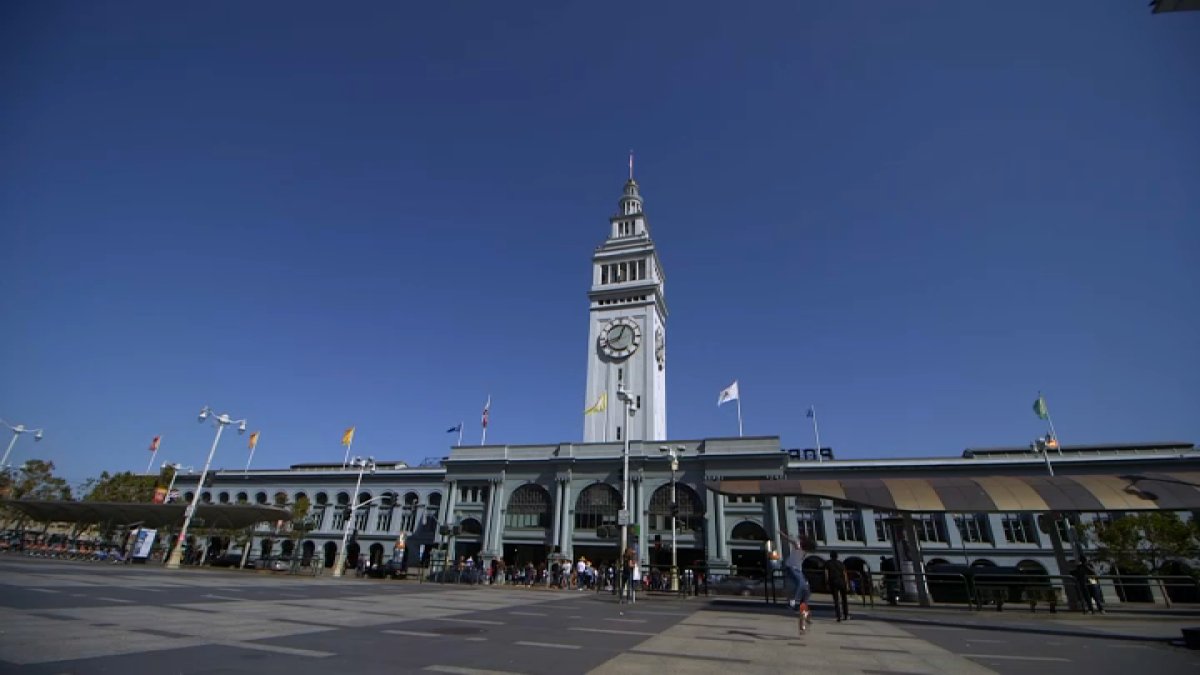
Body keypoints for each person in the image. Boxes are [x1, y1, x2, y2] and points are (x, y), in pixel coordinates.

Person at [780, 532, 811, 630]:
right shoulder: (798, 545)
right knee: (800, 583)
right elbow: (792, 541)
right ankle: (793, 601)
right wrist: (783, 535)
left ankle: (804, 614)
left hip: (798, 570)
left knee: (806, 590)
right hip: (791, 568)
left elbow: (793, 541)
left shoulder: (805, 550)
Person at [825, 551, 850, 622]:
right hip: (842, 582)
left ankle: (838, 616)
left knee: (836, 600)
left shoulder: (828, 563)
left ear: (830, 556)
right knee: (844, 599)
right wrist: (847, 583)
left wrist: (827, 583)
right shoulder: (841, 563)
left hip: (833, 582)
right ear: (837, 556)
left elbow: (826, 574)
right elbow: (844, 574)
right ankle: (846, 614)